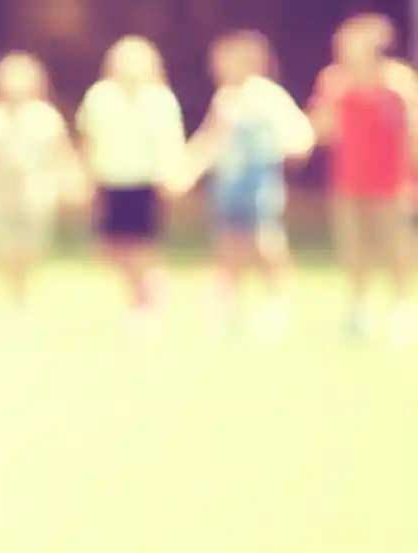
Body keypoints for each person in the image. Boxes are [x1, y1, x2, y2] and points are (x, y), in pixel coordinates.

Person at [173, 32, 314, 341]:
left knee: (266, 242)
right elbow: (211, 139)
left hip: (259, 182)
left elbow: (299, 134)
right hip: (230, 184)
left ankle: (277, 302)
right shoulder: (226, 98)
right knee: (228, 247)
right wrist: (187, 167)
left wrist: (290, 148)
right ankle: (227, 308)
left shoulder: (267, 96)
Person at [0, 52, 83, 317]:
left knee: (31, 246)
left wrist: (72, 179)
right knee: (2, 246)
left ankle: (23, 294)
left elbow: (61, 153)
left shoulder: (44, 117)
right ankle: (11, 294)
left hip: (36, 195)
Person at [309, 13, 418, 343]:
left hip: (391, 183)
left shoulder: (398, 81)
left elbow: (412, 134)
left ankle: (403, 305)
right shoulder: (333, 81)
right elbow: (321, 130)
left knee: (395, 246)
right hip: (348, 182)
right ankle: (358, 308)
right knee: (352, 247)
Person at [77, 36, 186, 335]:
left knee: (142, 247)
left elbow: (170, 142)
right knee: (112, 248)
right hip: (110, 180)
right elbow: (89, 140)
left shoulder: (160, 99)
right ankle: (141, 295)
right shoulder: (100, 97)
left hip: (145, 181)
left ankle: (146, 304)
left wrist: (173, 174)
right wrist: (88, 179)